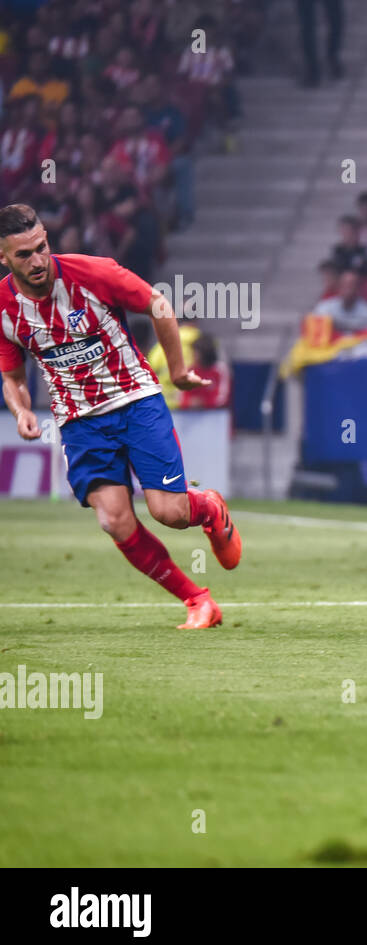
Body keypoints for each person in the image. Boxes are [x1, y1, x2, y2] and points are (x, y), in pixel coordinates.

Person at [0, 204, 241, 629]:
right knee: (113, 519)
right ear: (4, 258)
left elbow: (158, 305)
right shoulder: (4, 308)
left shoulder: (94, 273)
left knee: (171, 514)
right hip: (79, 421)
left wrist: (180, 371)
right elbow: (13, 376)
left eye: (41, 247)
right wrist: (20, 410)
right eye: (23, 255)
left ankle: (209, 509)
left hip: (136, 401)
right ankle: (198, 600)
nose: (37, 261)